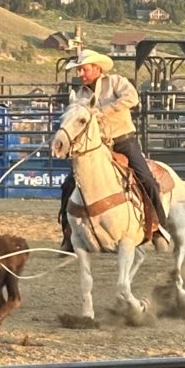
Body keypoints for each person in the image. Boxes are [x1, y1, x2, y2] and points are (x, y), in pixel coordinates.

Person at [59, 48, 171, 252]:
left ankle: (157, 227)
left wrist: (103, 111)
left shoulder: (116, 82)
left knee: (146, 179)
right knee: (69, 184)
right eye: (79, 70)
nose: (80, 74)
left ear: (96, 68)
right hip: (98, 146)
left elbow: (132, 98)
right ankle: (68, 233)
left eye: (83, 69)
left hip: (123, 140)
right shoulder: (82, 94)